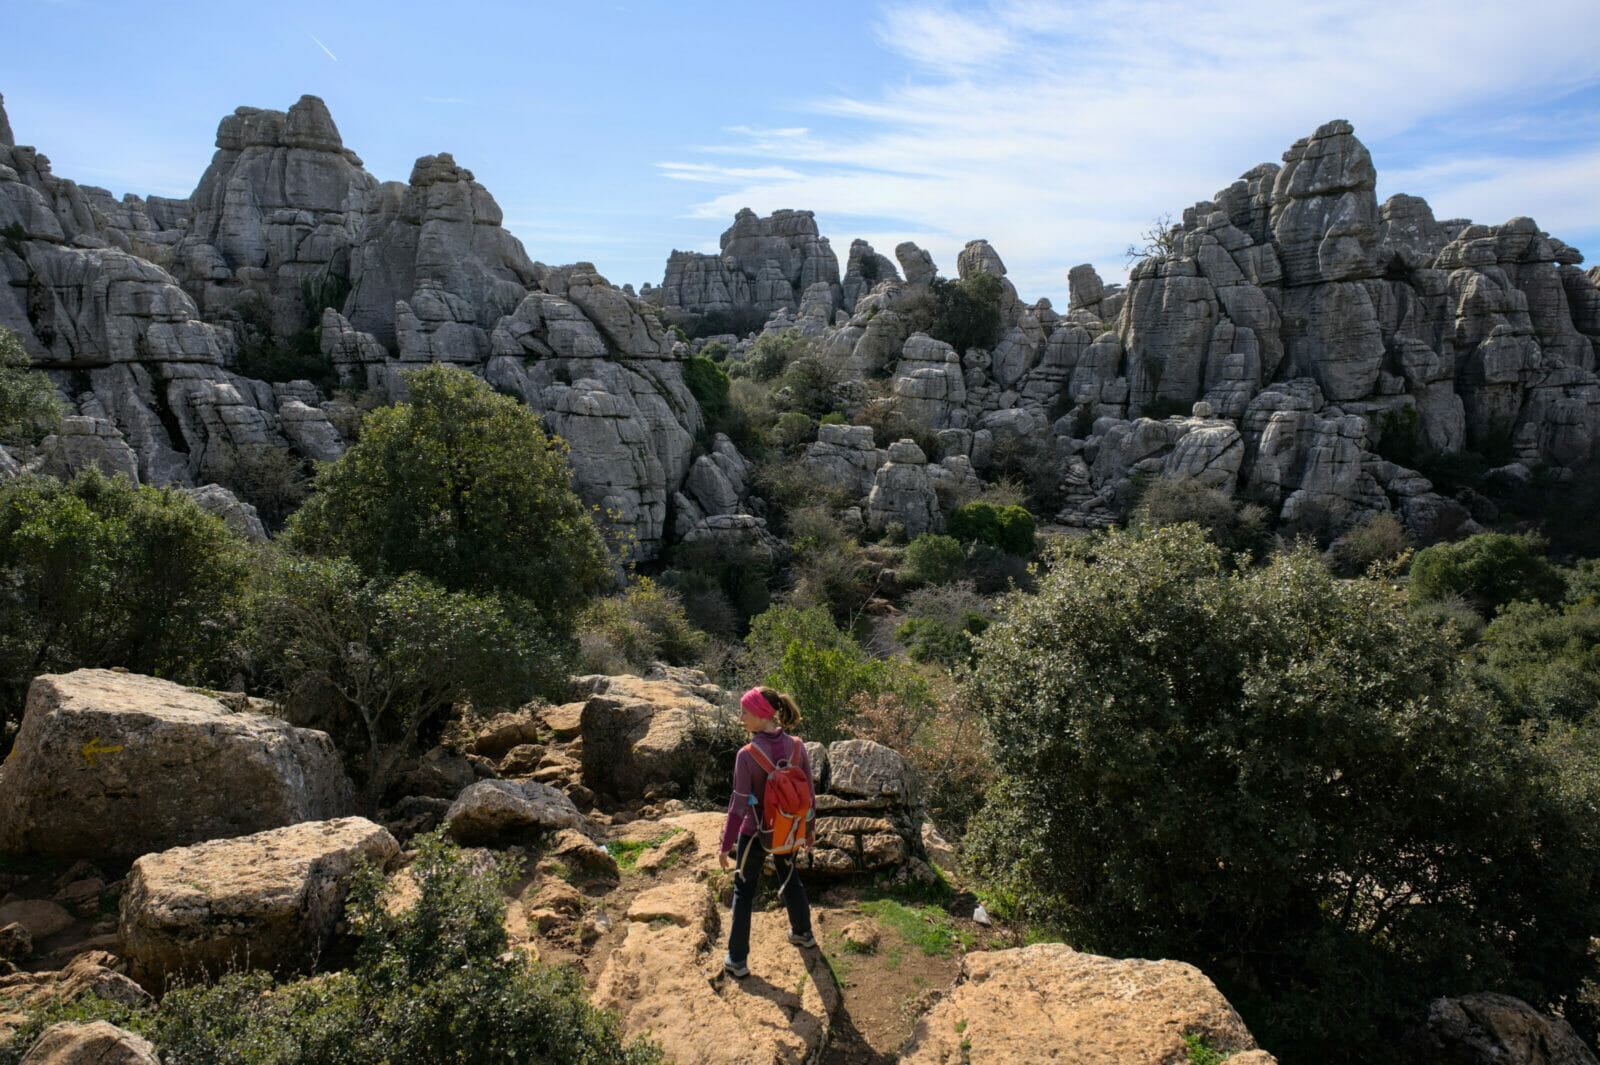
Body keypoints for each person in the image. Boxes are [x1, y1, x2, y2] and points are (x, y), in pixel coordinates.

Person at [719, 685, 816, 978]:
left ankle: (737, 960)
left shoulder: (747, 755)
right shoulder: (797, 746)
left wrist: (725, 845)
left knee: (744, 889)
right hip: (787, 829)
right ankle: (803, 933)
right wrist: (808, 830)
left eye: (745, 712)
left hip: (755, 831)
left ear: (761, 715)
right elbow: (810, 795)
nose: (741, 718)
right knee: (789, 874)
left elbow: (737, 805)